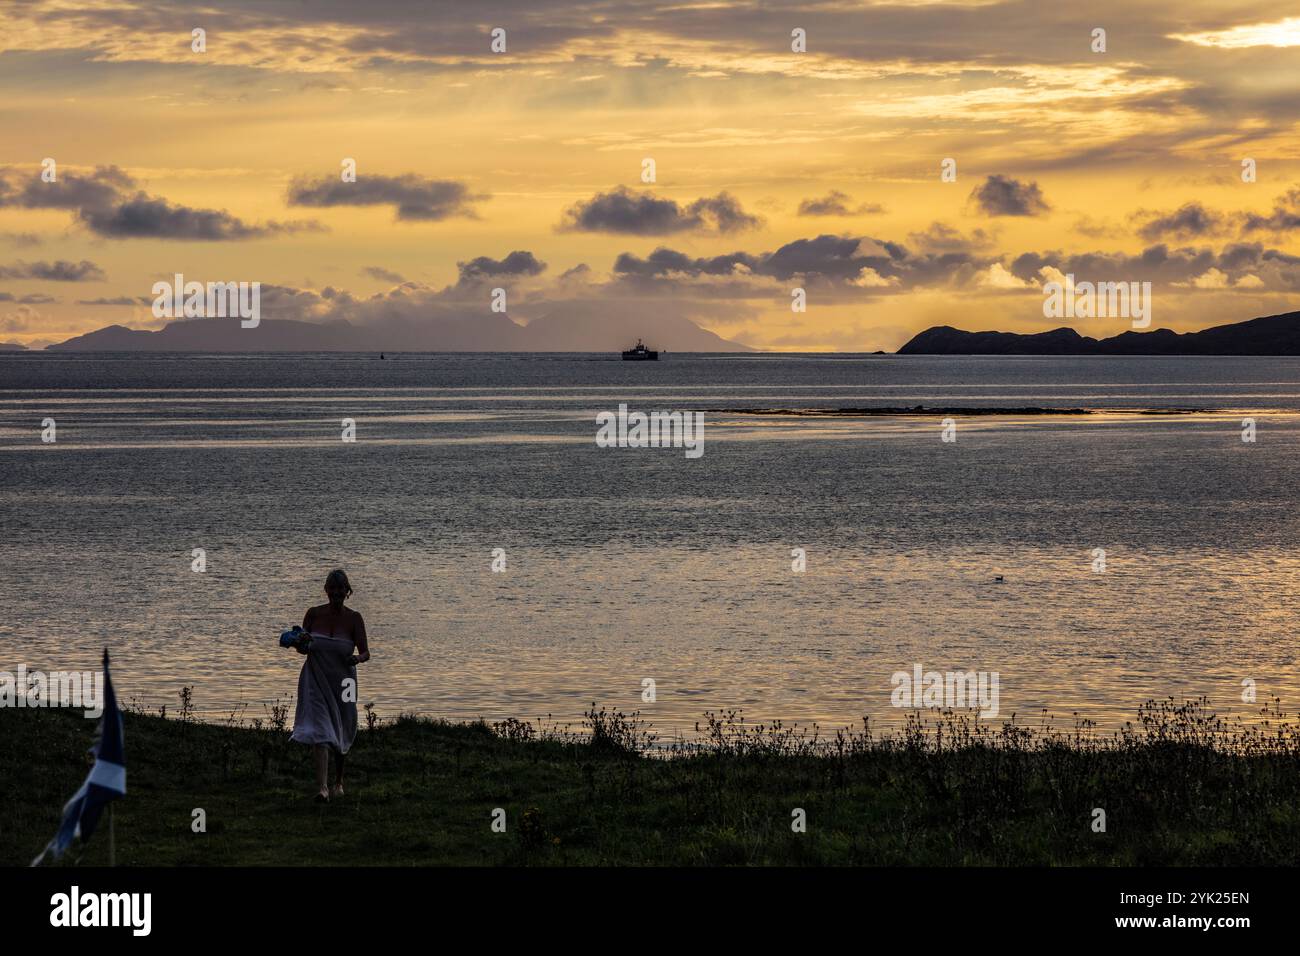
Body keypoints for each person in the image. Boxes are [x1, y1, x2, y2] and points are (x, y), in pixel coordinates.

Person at [289, 569, 370, 801]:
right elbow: (302, 646)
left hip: (345, 680)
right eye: (332, 588)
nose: (336, 592)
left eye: (340, 588)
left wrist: (357, 658)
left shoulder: (355, 618)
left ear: (348, 591)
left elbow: (366, 652)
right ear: (326, 590)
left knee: (345, 725)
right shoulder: (313, 614)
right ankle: (323, 788)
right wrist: (295, 642)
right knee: (321, 728)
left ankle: (339, 781)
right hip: (315, 677)